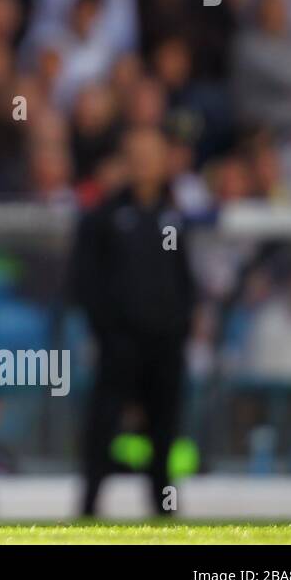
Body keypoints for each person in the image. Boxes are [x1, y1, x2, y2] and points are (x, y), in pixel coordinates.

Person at [69, 126, 194, 517]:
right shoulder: (104, 217)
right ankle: (89, 504)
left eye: (151, 155)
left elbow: (183, 277)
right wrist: (108, 330)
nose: (144, 163)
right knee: (103, 424)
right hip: (119, 344)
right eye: (136, 155)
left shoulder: (172, 215)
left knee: (164, 426)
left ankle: (163, 503)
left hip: (165, 344)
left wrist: (181, 324)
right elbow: (84, 280)